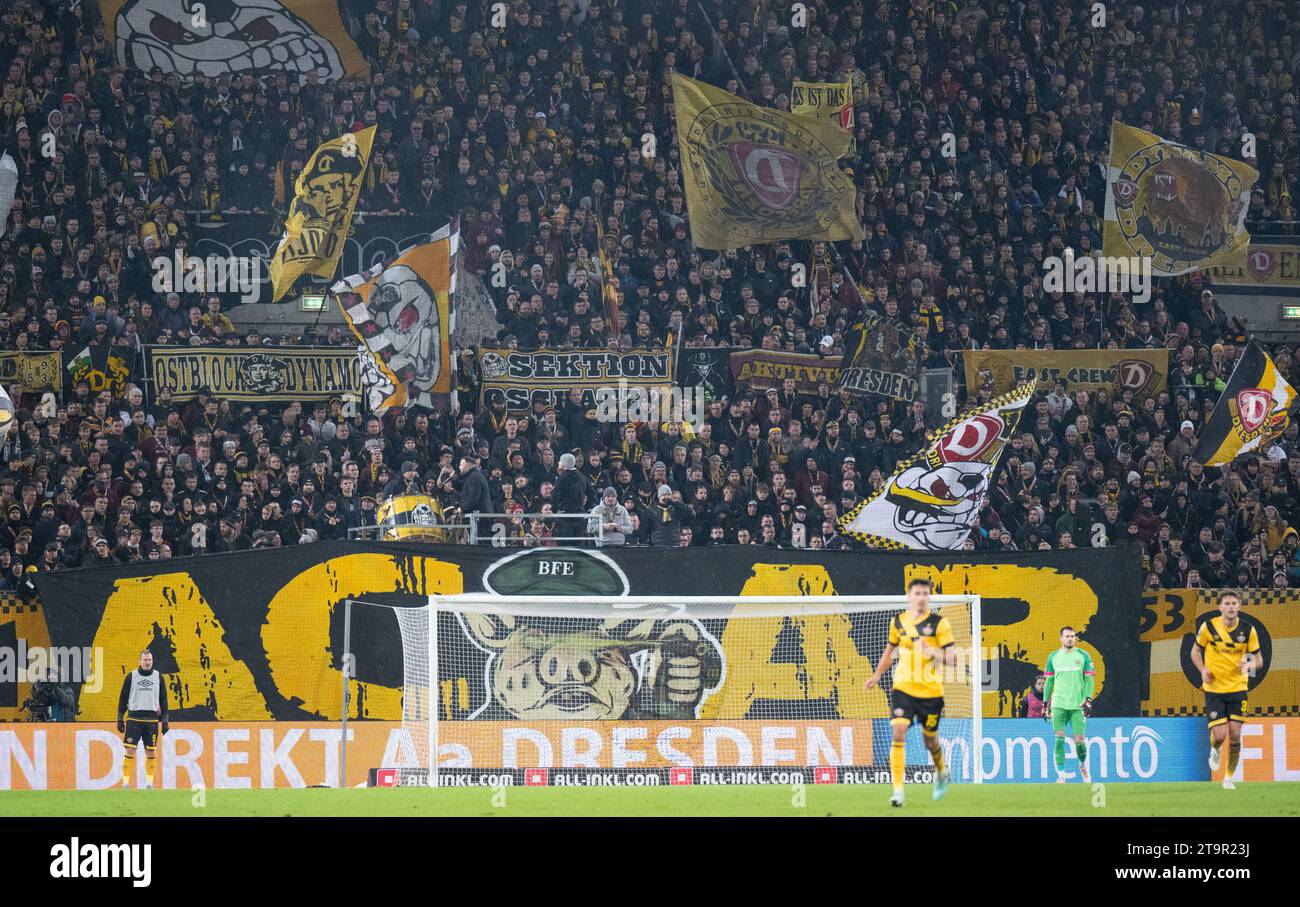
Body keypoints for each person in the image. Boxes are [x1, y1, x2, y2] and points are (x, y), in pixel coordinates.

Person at [865, 577, 955, 807]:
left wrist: (933, 650)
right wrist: (876, 675)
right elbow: (889, 651)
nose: (922, 598)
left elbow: (953, 659)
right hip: (903, 688)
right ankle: (898, 792)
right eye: (917, 593)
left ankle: (942, 771)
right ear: (909, 596)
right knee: (898, 733)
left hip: (931, 692)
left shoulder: (939, 623)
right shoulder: (898, 622)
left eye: (925, 594)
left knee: (929, 741)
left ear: (929, 597)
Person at [1190, 590, 1262, 789]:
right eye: (1227, 603)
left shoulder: (1248, 630)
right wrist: (1202, 669)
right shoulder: (1209, 627)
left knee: (1236, 735)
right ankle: (1215, 748)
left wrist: (1249, 665)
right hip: (1214, 689)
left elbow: (1258, 659)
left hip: (1238, 688)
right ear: (1220, 607)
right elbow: (1195, 651)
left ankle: (1228, 778)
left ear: (1238, 606)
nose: (1230, 606)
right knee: (1220, 735)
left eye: (1234, 603)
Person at [1042, 627, 1095, 783]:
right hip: (1058, 704)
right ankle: (1061, 775)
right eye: (1067, 636)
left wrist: (1088, 699)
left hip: (1077, 705)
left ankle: (1083, 766)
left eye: (1072, 636)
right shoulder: (1053, 657)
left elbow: (1089, 680)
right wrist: (1046, 704)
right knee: (1059, 739)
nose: (1070, 639)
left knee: (1079, 741)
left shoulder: (1083, 656)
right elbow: (1049, 681)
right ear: (1061, 638)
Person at [116, 649, 169, 790]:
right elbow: (123, 698)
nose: (147, 662)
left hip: (151, 720)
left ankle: (149, 784)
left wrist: (165, 720)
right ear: (140, 661)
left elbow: (163, 699)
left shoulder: (159, 677)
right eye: (145, 660)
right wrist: (120, 718)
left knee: (151, 752)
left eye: (150, 660)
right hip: (134, 718)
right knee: (129, 750)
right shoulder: (131, 676)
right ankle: (126, 783)